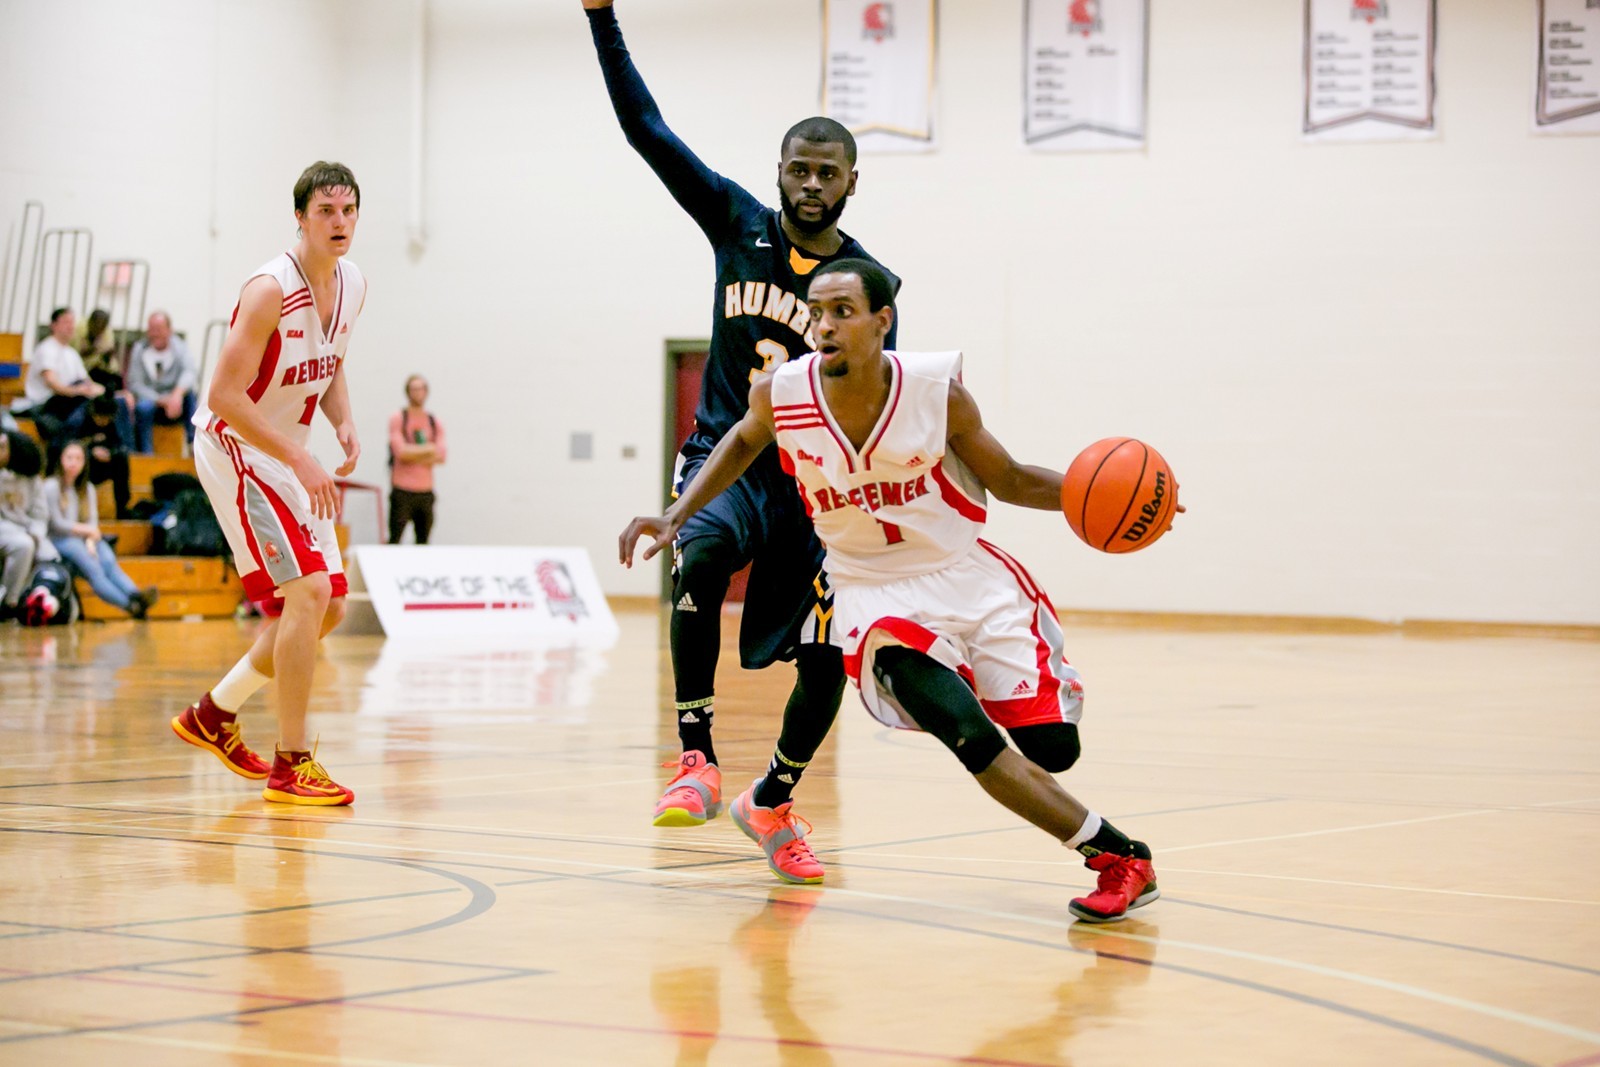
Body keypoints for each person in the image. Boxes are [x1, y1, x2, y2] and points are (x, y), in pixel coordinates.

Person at [622, 261, 1169, 923]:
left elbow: (1011, 477)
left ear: (882, 320)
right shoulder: (782, 393)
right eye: (817, 312)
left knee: (1056, 750)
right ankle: (1118, 855)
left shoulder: (938, 393)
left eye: (843, 311)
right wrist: (676, 511)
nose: (824, 325)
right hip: (873, 599)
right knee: (968, 737)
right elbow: (740, 441)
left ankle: (967, 674)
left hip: (967, 579)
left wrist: (1107, 498)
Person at [584, 0, 901, 876]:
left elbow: (873, 406)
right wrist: (600, 18)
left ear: (849, 184)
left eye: (825, 173)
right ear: (780, 173)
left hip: (810, 485)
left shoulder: (870, 284)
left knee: (829, 651)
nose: (809, 184)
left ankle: (774, 800)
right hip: (728, 453)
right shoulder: (734, 220)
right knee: (700, 552)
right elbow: (645, 130)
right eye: (797, 169)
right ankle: (694, 756)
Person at [169, 161, 366, 806]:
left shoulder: (353, 283)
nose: (338, 223)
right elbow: (223, 395)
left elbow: (329, 360)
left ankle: (215, 714)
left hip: (286, 452)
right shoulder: (268, 291)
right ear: (301, 219)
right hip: (236, 445)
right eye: (325, 212)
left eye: (348, 211)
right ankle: (292, 760)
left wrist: (342, 421)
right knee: (306, 591)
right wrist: (300, 457)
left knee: (330, 606)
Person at [43, 440, 156, 618]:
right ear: (61, 460)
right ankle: (131, 606)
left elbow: (92, 521)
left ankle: (136, 596)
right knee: (94, 569)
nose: (73, 463)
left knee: (109, 562)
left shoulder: (87, 488)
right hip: (60, 538)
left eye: (78, 458)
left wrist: (90, 541)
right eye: (69, 458)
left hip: (84, 537)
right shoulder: (51, 486)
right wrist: (88, 532)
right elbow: (56, 524)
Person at [24, 307, 104, 454]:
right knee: (83, 401)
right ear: (53, 325)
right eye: (66, 322)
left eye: (72, 322)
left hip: (68, 401)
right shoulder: (46, 348)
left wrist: (112, 393)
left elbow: (88, 383)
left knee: (113, 402)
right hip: (46, 405)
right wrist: (78, 391)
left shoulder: (72, 353)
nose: (71, 326)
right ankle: (65, 446)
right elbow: (52, 383)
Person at [0, 431, 59, 622]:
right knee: (23, 545)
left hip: (24, 530)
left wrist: (36, 533)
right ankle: (10, 602)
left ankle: (40, 604)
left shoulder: (33, 480)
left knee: (50, 555)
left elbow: (40, 515)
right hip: (6, 529)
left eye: (3, 447)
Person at [126, 311, 198, 454]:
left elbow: (190, 373)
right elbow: (135, 384)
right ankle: (147, 454)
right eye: (151, 329)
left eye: (159, 329)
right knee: (142, 408)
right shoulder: (139, 350)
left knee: (190, 398)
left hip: (175, 400)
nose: (154, 334)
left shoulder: (180, 348)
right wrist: (160, 399)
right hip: (150, 400)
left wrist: (176, 395)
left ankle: (193, 446)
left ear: (169, 330)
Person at [387, 373, 445, 544]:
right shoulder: (399, 418)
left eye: (421, 389)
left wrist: (413, 454)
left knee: (423, 540)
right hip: (402, 490)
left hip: (425, 491)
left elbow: (441, 455)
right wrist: (428, 450)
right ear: (407, 392)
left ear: (426, 392)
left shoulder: (434, 421)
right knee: (395, 538)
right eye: (413, 389)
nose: (417, 393)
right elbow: (400, 452)